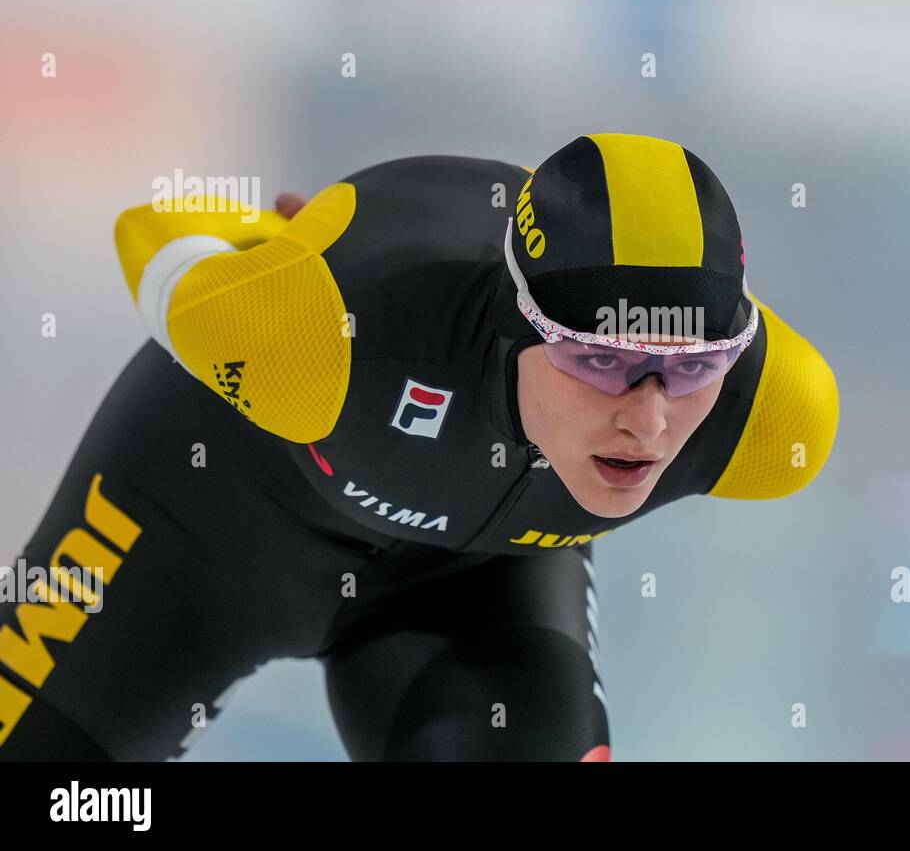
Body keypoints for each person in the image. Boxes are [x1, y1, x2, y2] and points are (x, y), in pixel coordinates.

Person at [0, 133, 838, 761]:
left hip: (464, 589)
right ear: (518, 328)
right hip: (205, 528)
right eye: (602, 359)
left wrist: (657, 367)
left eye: (692, 366)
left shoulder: (771, 417)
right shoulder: (315, 340)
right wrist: (268, 250)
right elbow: (152, 227)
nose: (649, 422)